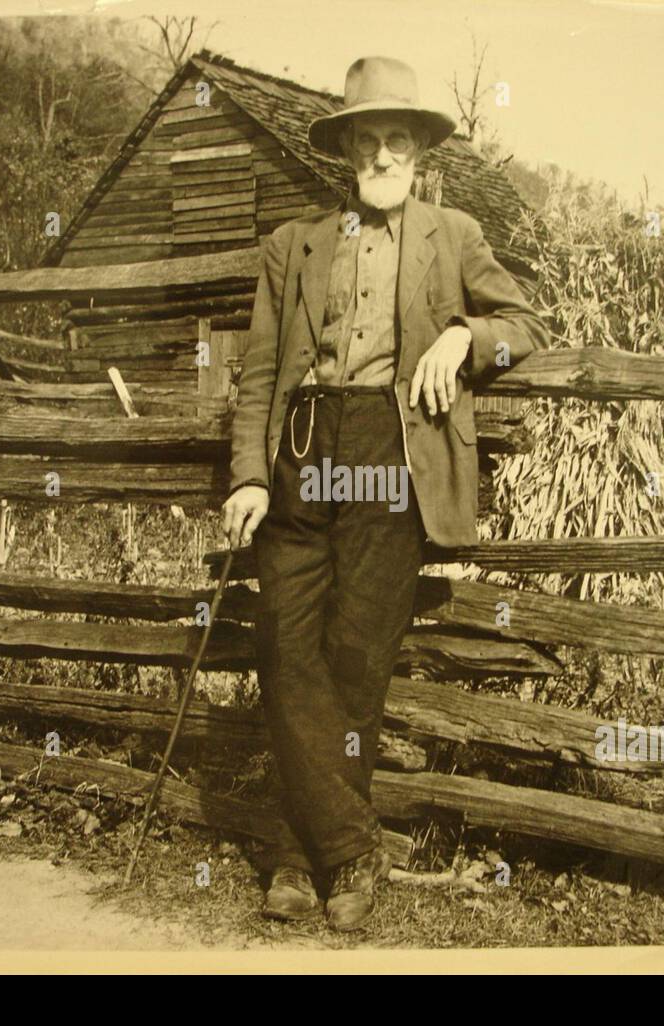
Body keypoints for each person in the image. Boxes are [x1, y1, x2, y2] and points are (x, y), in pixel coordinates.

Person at [221, 56, 551, 931]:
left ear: (419, 151)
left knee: (356, 657)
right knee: (285, 647)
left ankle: (300, 855)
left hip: (389, 452)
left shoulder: (455, 234)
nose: (380, 153)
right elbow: (258, 371)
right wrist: (250, 475)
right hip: (300, 451)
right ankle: (349, 846)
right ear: (346, 149)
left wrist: (465, 340)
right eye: (365, 138)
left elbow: (527, 328)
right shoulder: (294, 245)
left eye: (395, 139)